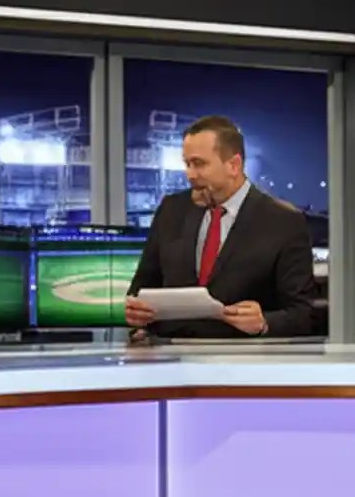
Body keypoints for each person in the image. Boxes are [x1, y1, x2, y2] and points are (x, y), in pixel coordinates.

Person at [125, 115, 316, 339]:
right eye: (187, 163)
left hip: (245, 363)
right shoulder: (171, 210)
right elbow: (141, 289)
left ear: (233, 165)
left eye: (199, 164)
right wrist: (137, 317)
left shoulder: (283, 222)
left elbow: (303, 314)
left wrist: (264, 322)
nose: (190, 174)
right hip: (173, 361)